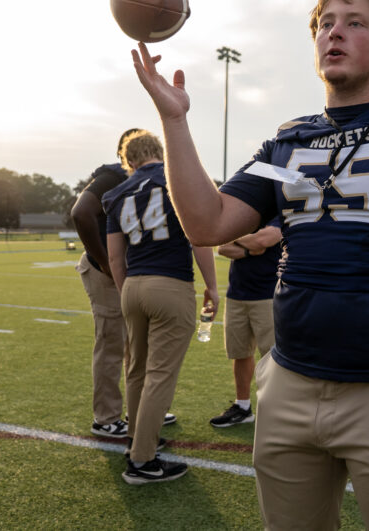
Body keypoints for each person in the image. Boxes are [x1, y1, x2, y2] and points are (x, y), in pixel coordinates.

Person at [129, 0, 369, 528]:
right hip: (290, 382)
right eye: (326, 24)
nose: (335, 32)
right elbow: (207, 223)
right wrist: (174, 120)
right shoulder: (288, 144)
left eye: (354, 22)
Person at [103, 130, 219, 485]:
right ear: (160, 151)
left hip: (133, 285)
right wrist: (212, 286)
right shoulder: (174, 179)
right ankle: (142, 460)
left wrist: (127, 291)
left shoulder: (117, 193)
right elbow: (199, 236)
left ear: (130, 160)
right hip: (170, 283)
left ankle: (137, 439)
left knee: (136, 370)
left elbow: (115, 257)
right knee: (160, 375)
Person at [70, 129, 178, 438]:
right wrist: (104, 261)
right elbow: (81, 212)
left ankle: (141, 409)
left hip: (135, 271)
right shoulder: (113, 176)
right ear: (125, 155)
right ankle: (105, 418)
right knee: (112, 345)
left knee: (140, 345)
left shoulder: (153, 178)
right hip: (107, 271)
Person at [210, 219, 282, 427]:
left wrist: (238, 240)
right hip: (237, 293)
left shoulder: (277, 212)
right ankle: (242, 407)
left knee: (274, 356)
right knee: (240, 353)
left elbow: (266, 240)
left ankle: (277, 409)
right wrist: (251, 249)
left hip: (269, 294)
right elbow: (222, 247)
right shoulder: (246, 216)